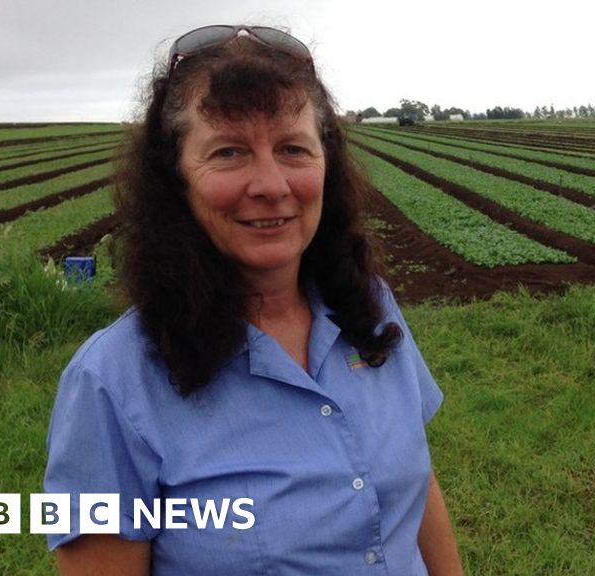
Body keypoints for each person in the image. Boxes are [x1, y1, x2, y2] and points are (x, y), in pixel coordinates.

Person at [43, 24, 463, 575]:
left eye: (293, 148)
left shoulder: (370, 307)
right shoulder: (109, 383)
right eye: (229, 151)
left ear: (327, 164)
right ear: (174, 177)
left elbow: (417, 482)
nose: (271, 184)